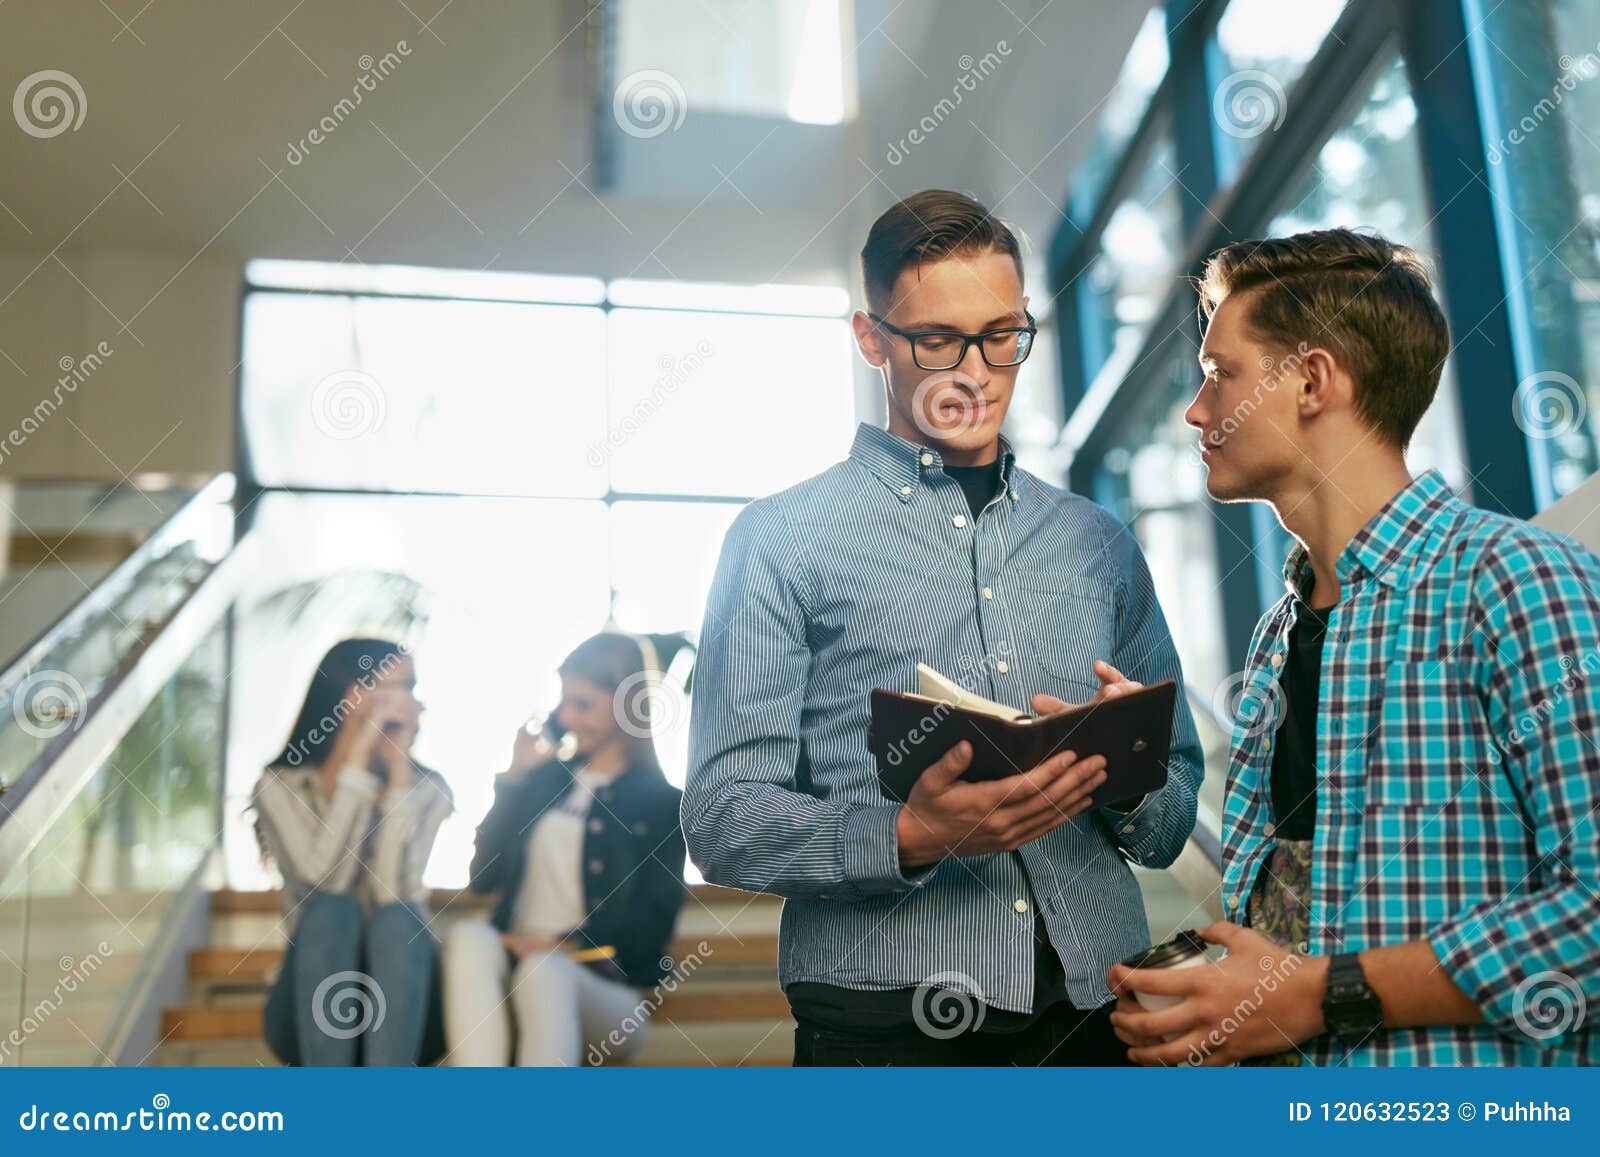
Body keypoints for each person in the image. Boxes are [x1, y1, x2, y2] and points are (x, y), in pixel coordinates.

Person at [684, 189, 1204, 1066]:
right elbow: (722, 817)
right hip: (888, 1027)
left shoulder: (1099, 543)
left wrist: (1125, 774)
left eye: (1003, 335)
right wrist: (912, 835)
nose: (976, 371)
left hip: (1096, 1011)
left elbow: (1173, 811)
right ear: (871, 338)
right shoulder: (777, 540)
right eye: (937, 341)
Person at [1109, 227, 1600, 1065]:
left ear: (1312, 380)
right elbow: (1302, 917)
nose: (1197, 409)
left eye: (1220, 373)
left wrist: (1319, 994)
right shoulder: (1278, 635)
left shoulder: (1518, 580)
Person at [443, 631, 687, 1067]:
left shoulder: (663, 805)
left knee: (543, 973)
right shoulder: (541, 782)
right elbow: (482, 879)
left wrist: (563, 949)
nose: (567, 716)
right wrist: (514, 780)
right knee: (470, 937)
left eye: (583, 704)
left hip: (601, 991)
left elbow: (652, 929)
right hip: (513, 967)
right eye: (564, 702)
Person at [254, 637, 454, 1066]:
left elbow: (393, 893)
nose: (415, 702)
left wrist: (397, 777)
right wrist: (358, 764)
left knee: (399, 917)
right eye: (403, 687)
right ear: (354, 695)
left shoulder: (428, 789)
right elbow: (324, 883)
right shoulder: (280, 786)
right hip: (306, 1010)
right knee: (333, 910)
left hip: (411, 1012)